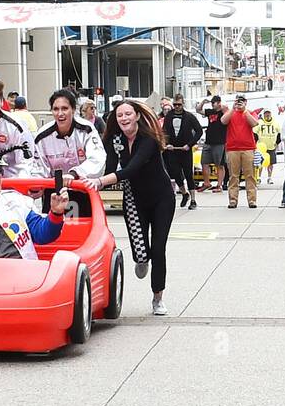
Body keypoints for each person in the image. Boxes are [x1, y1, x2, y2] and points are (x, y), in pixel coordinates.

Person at [87, 100, 176, 315]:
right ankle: (141, 258)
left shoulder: (148, 139)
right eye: (120, 115)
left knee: (158, 248)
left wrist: (101, 182)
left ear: (137, 116)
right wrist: (94, 184)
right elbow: (108, 166)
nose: (124, 118)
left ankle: (157, 297)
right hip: (134, 199)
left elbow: (131, 169)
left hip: (161, 198)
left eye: (128, 114)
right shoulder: (114, 140)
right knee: (140, 250)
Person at [31, 88, 106, 181]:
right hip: (53, 190)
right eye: (55, 109)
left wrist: (74, 174)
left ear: (73, 109)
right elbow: (39, 169)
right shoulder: (42, 136)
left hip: (82, 186)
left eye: (65, 108)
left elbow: (97, 159)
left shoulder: (87, 130)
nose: (60, 113)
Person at [162, 95, 203, 209]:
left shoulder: (189, 117)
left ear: (183, 104)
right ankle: (184, 193)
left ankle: (193, 200)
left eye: (179, 104)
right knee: (175, 173)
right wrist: (166, 144)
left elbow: (199, 131)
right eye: (174, 105)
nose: (176, 107)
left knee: (188, 174)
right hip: (172, 150)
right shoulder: (169, 116)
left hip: (185, 150)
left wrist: (189, 145)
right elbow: (164, 132)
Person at [223, 94, 261, 208]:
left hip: (248, 148)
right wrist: (232, 108)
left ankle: (252, 200)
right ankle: (233, 200)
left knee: (250, 175)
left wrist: (244, 111)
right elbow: (223, 121)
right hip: (233, 148)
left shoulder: (250, 112)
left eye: (242, 101)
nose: (239, 103)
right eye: (238, 100)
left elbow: (254, 123)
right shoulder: (230, 112)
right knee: (233, 176)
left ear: (246, 102)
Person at [198, 95, 228, 192]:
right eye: (211, 103)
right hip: (208, 141)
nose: (212, 104)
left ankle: (219, 185)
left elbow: (228, 113)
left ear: (219, 103)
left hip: (219, 142)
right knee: (204, 162)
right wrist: (203, 102)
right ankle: (207, 183)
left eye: (214, 103)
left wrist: (222, 106)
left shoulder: (223, 112)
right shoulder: (210, 112)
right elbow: (198, 110)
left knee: (219, 164)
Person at [256, 108, 281, 183]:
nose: (267, 115)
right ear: (263, 114)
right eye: (266, 113)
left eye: (268, 113)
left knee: (271, 163)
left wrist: (277, 143)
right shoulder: (259, 122)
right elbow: (254, 133)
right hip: (261, 147)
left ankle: (269, 177)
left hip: (271, 146)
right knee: (260, 163)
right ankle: (259, 177)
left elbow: (279, 133)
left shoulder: (275, 122)